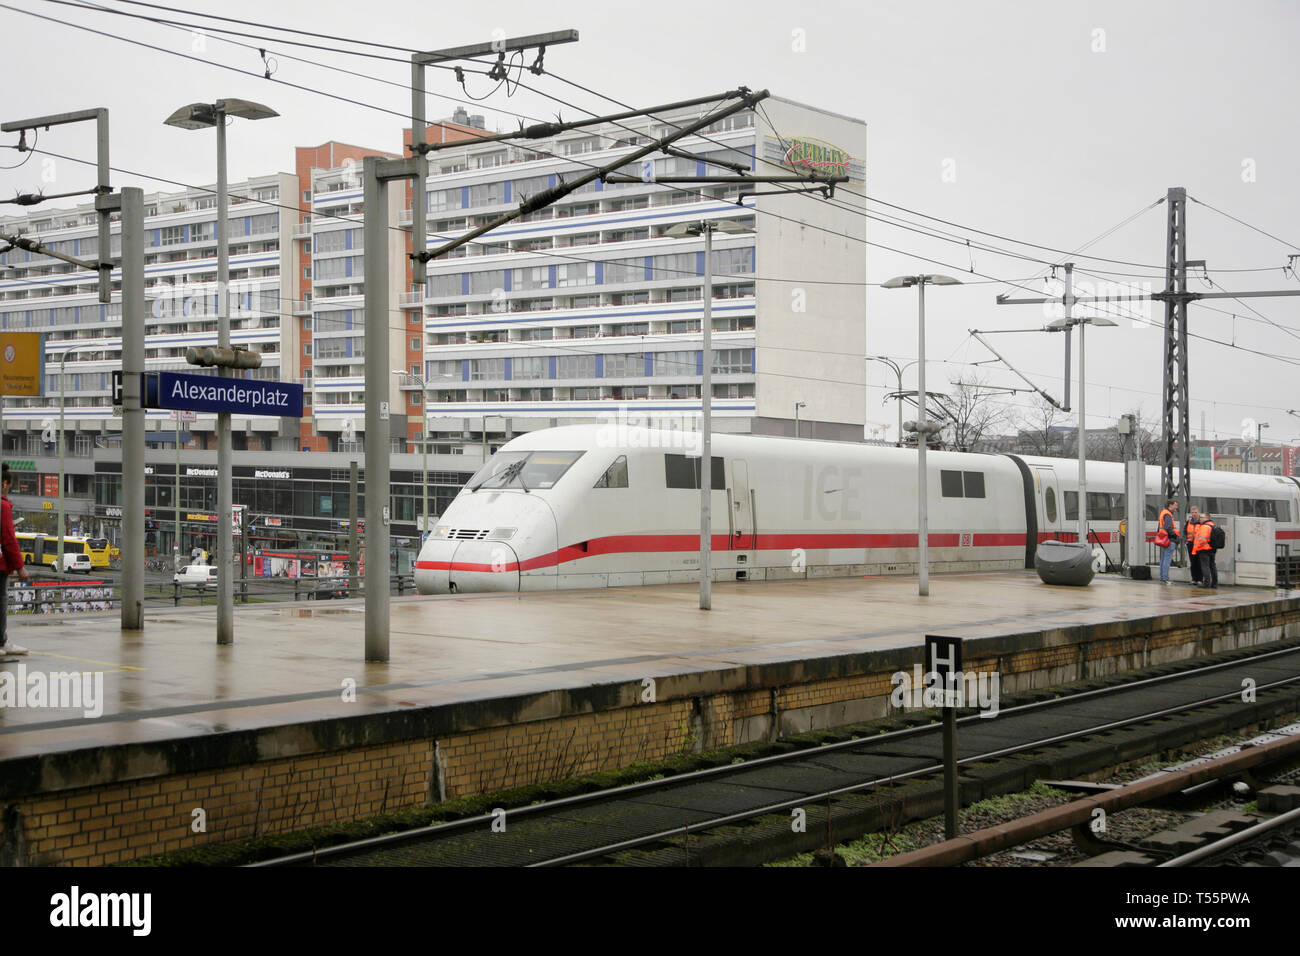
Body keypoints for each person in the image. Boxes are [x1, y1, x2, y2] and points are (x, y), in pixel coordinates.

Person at [1, 463, 32, 655]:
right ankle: (2, 641)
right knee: (1, 600)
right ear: (5, 483)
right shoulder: (3, 506)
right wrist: (20, 567)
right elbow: (8, 539)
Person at [1193, 513, 1219, 589]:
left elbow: (1202, 539)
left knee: (1205, 567)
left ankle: (1206, 583)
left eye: (1201, 517)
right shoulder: (1212, 525)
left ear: (1207, 518)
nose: (1200, 518)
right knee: (1212, 566)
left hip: (1204, 549)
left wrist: (1198, 547)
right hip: (1212, 549)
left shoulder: (1204, 527)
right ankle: (1214, 583)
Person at [1158, 498, 1180, 585]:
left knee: (1163, 559)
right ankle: (1165, 578)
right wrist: (1175, 535)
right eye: (1175, 505)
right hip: (1169, 539)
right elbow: (1168, 527)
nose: (1176, 507)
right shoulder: (1168, 515)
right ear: (1170, 505)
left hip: (1163, 539)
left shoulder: (1163, 513)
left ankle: (1162, 577)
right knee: (1167, 559)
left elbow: (1162, 527)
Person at [1185, 506, 1203, 584]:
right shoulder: (1189, 521)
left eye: (1195, 512)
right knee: (1193, 562)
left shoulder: (1202, 521)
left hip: (1199, 545)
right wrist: (1186, 540)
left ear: (1198, 513)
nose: (1194, 514)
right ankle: (1194, 579)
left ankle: (1200, 579)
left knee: (1199, 562)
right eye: (1193, 512)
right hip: (1190, 544)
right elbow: (1184, 531)